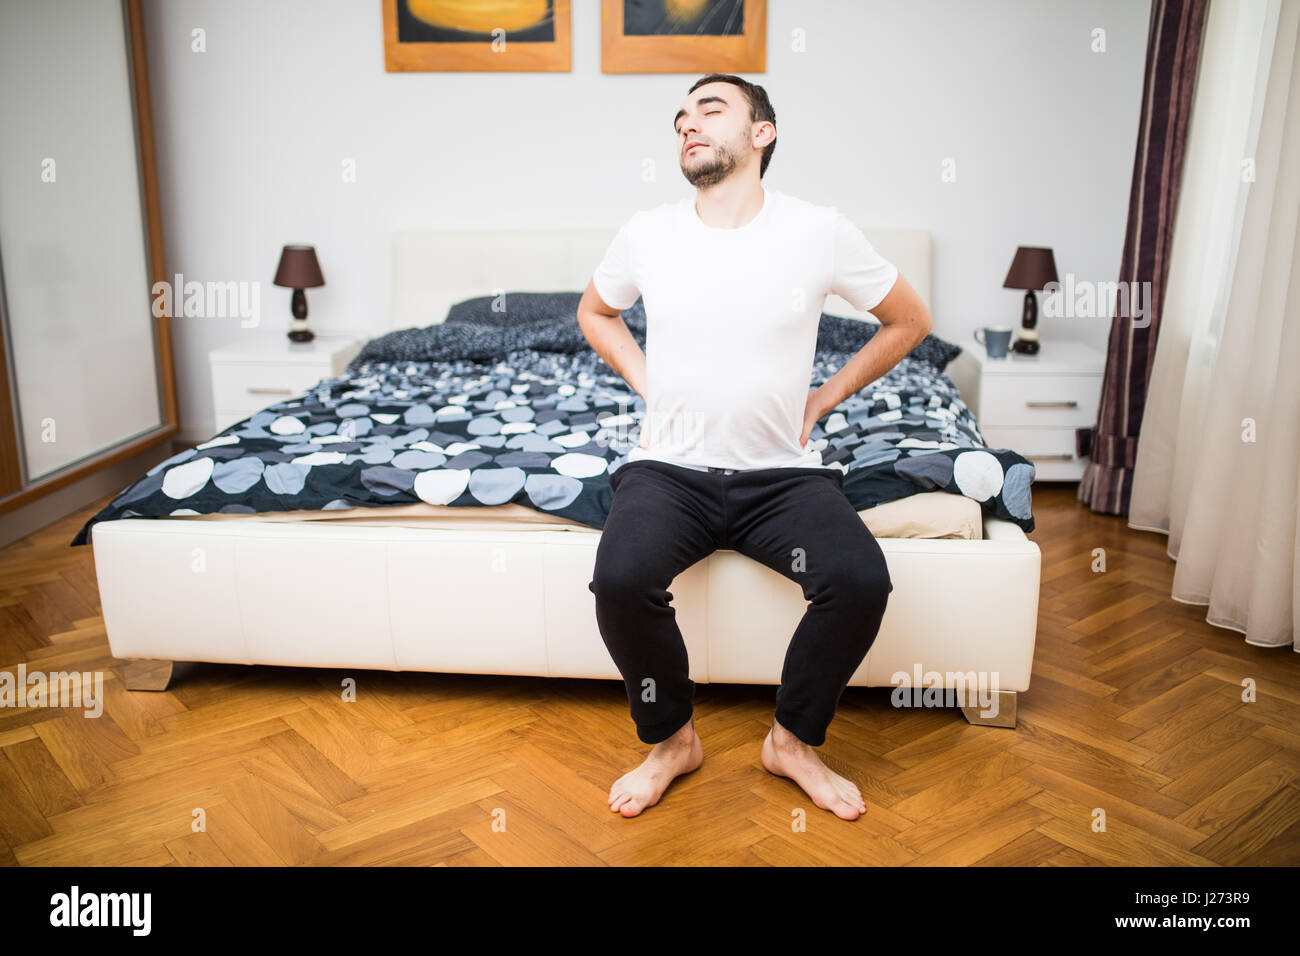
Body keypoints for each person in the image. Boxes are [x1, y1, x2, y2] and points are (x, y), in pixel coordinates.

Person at [576, 74, 933, 821]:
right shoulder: (649, 232)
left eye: (710, 109)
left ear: (761, 133)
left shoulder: (819, 230)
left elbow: (909, 320)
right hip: (668, 470)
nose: (687, 124)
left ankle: (793, 742)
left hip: (783, 476)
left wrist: (824, 398)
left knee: (860, 580)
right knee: (620, 578)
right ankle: (672, 740)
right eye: (680, 117)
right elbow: (596, 311)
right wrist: (647, 382)